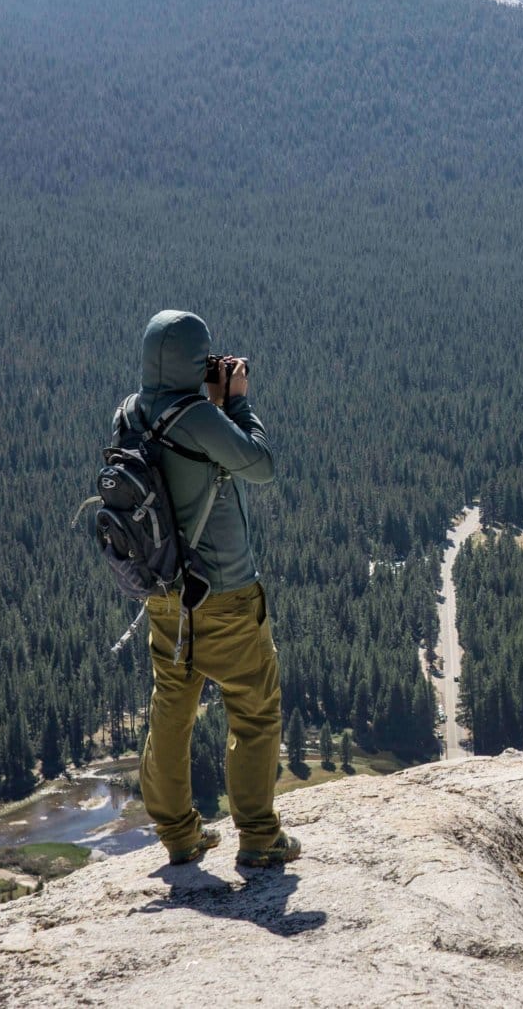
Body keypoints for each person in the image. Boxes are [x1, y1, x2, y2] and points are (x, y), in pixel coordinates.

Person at [122, 309, 299, 869]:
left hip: (165, 593)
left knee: (172, 708)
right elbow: (261, 465)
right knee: (254, 709)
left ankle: (179, 835)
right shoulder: (199, 416)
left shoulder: (130, 412)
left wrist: (212, 403)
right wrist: (237, 403)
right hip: (225, 593)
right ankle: (259, 837)